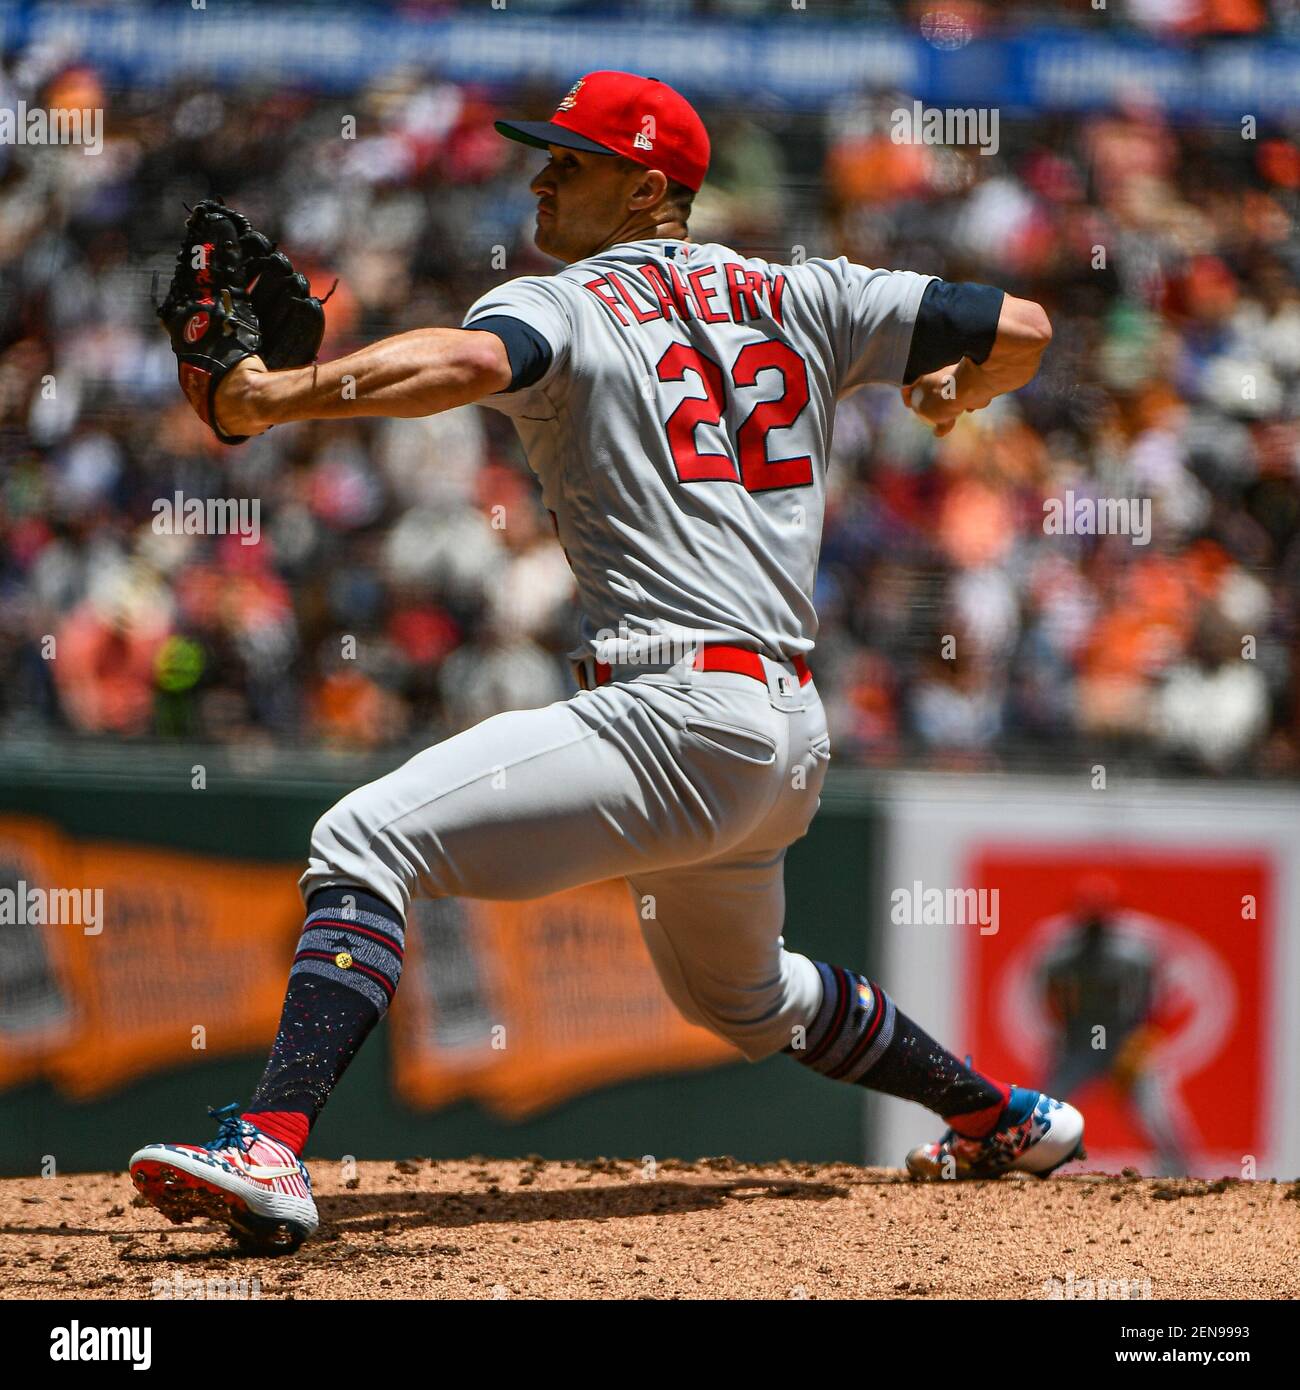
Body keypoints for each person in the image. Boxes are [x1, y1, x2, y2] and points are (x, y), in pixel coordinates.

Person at [129, 70, 1081, 1252]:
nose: (539, 175)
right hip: (784, 735)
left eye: (567, 161)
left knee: (361, 839)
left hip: (678, 711)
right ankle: (1006, 1117)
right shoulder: (806, 291)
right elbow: (1026, 330)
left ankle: (268, 1146)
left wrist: (267, 399)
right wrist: (954, 389)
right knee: (743, 1000)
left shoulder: (569, 302)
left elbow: (467, 367)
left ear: (645, 188)